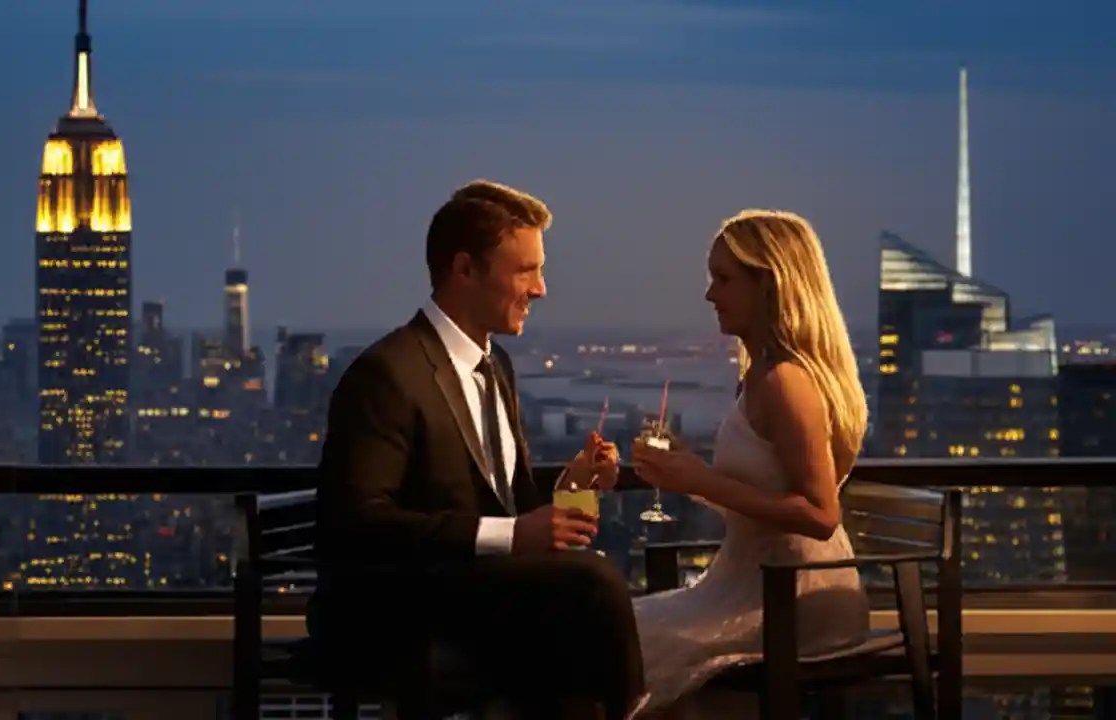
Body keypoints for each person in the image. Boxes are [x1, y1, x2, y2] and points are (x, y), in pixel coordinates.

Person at [310, 179, 647, 719]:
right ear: (464, 269)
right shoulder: (387, 374)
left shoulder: (496, 367)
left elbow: (503, 494)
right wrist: (512, 535)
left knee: (580, 607)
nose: (541, 289)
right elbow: (351, 522)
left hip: (479, 592)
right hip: (400, 602)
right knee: (593, 582)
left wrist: (574, 482)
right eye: (526, 270)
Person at [614, 209, 871, 717]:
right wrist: (689, 479)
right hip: (754, 585)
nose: (711, 295)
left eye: (724, 279)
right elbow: (761, 499)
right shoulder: (760, 377)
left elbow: (821, 516)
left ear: (771, 285)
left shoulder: (786, 384)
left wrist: (703, 479)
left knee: (622, 645)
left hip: (795, 599)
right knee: (614, 631)